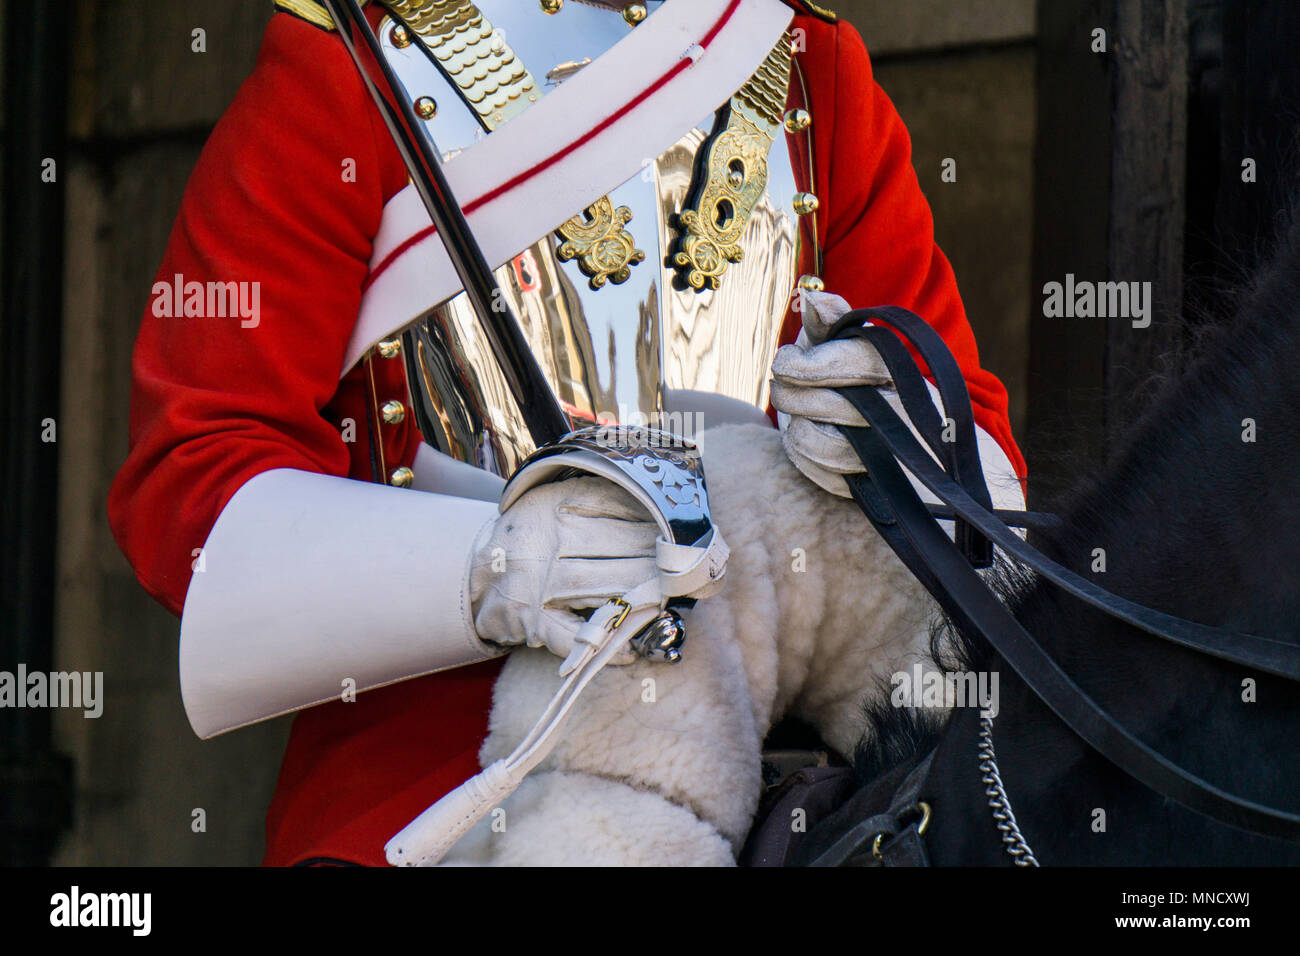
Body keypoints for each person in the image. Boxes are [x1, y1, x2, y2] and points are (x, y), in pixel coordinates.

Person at [108, 0, 1025, 866]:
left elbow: (979, 457)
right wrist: (486, 567)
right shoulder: (345, 57)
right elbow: (193, 479)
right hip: (445, 790)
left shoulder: (804, 58)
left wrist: (898, 435)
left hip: (785, 779)